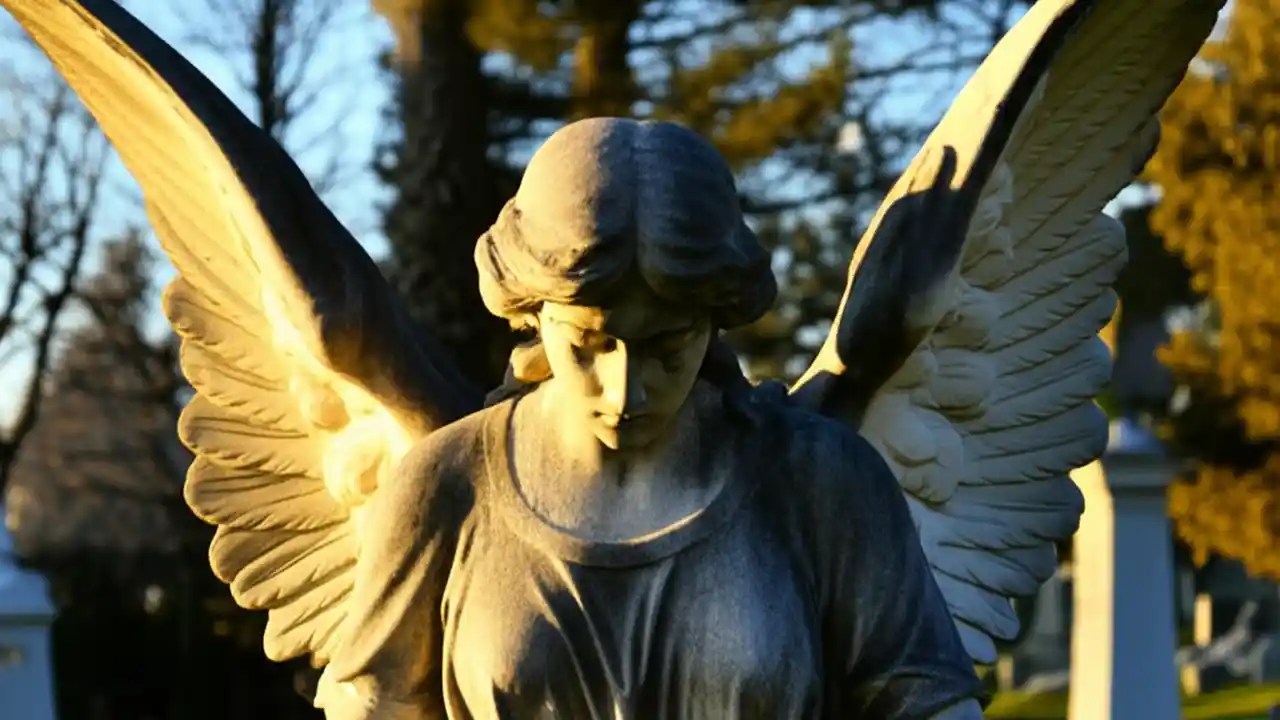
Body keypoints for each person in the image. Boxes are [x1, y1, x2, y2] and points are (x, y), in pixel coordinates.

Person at [318, 118, 984, 719]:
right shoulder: (447, 484)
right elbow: (373, 703)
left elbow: (921, 700)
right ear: (532, 312)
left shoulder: (820, 479)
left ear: (715, 323)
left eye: (668, 347)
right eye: (588, 343)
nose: (625, 388)